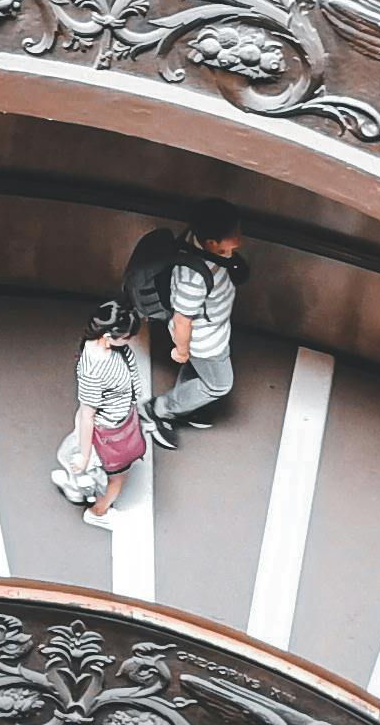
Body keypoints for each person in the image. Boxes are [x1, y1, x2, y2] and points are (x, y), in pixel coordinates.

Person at [51, 300, 152, 526]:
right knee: (118, 477)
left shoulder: (102, 347)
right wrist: (86, 454)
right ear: (108, 336)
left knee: (81, 459)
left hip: (113, 421)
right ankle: (98, 512)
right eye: (127, 336)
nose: (131, 340)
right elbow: (88, 414)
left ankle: (75, 485)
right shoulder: (95, 370)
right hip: (110, 428)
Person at [152, 209, 246, 443]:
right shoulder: (193, 279)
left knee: (197, 372)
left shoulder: (198, 242)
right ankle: (162, 409)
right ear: (212, 243)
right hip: (205, 341)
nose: (239, 237)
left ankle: (186, 404)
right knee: (219, 384)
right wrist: (182, 350)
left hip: (213, 330)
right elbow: (183, 320)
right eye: (233, 234)